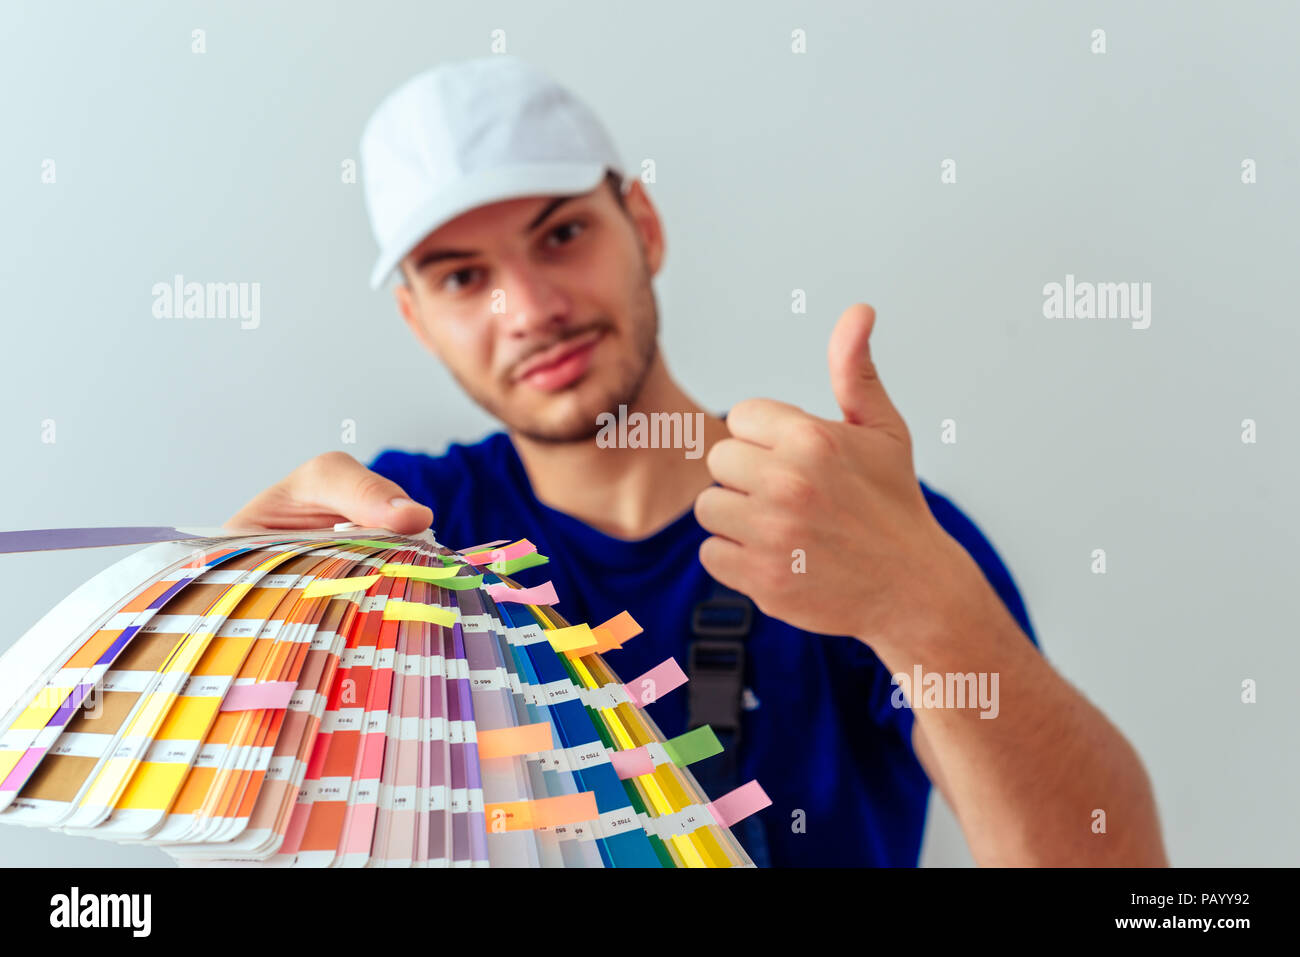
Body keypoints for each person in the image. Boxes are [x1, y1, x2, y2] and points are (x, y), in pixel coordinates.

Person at [226, 56, 1167, 867]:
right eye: (464, 276)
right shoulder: (404, 536)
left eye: (561, 234)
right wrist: (225, 631)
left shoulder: (852, 522)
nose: (530, 307)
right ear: (418, 321)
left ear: (646, 224)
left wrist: (923, 607)